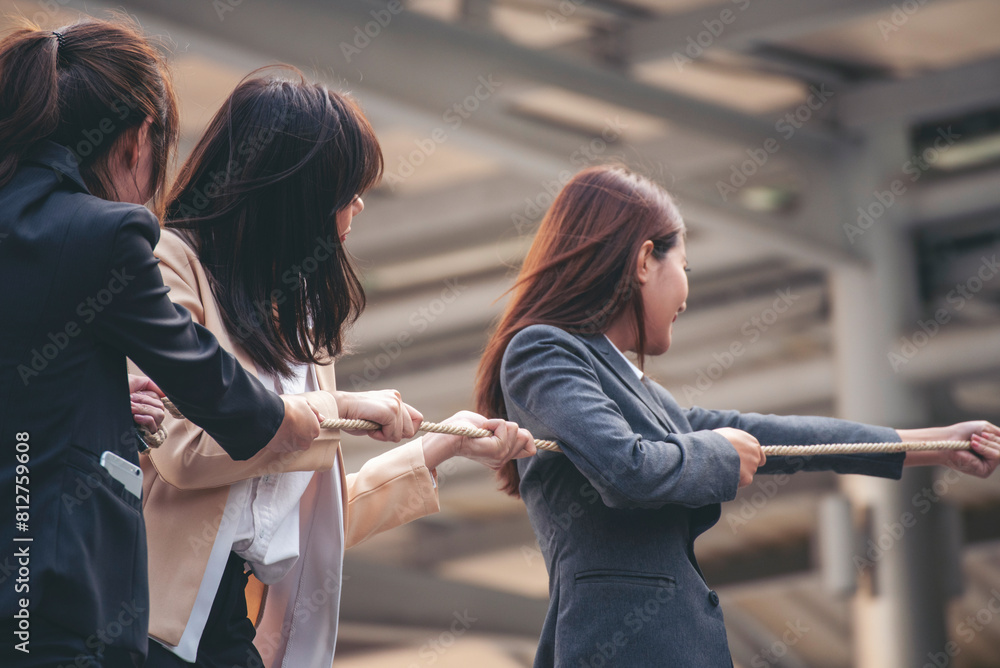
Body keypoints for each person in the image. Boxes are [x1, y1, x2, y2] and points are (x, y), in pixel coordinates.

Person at [474, 165, 1000, 667]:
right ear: (643, 260)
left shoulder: (641, 394)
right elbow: (626, 469)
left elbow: (775, 437)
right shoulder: (542, 350)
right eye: (685, 267)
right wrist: (719, 450)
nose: (687, 293)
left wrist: (932, 444)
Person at [134, 67, 536, 668]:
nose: (359, 207)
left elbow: (312, 517)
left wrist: (441, 448)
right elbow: (187, 453)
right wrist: (340, 410)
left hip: (228, 630)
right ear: (295, 197)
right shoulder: (170, 265)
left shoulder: (290, 321)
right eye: (345, 191)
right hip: (150, 628)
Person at [0, 18, 348, 667]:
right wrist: (301, 419)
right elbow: (202, 377)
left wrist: (95, 397)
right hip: (49, 586)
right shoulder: (105, 237)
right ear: (136, 140)